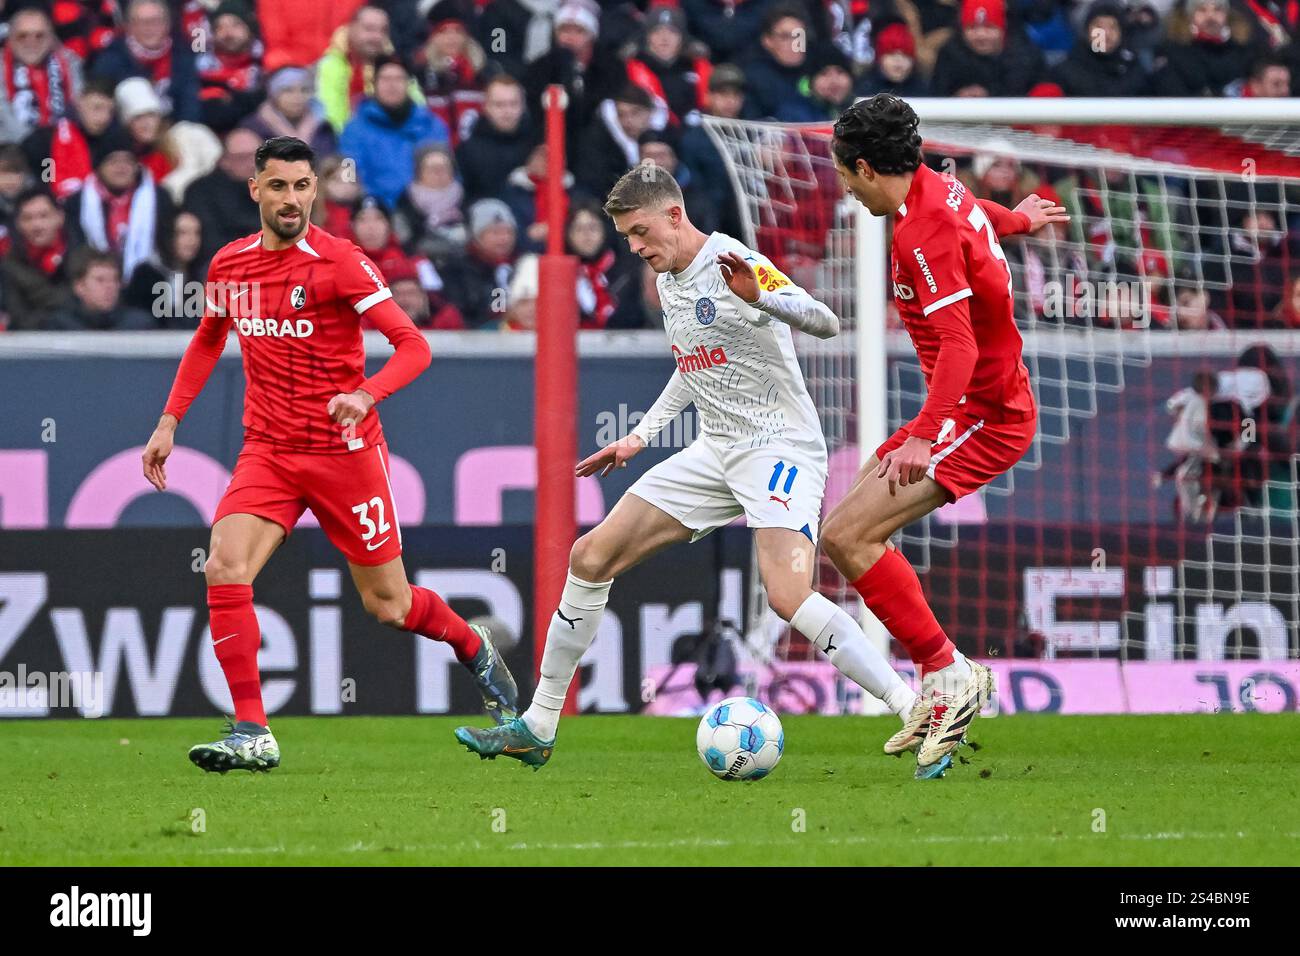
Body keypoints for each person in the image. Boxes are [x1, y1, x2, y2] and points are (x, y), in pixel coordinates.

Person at [454, 163, 921, 771]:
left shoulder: (733, 262)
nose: (636, 248)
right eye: (626, 238)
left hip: (777, 446)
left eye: (641, 232)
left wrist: (763, 297)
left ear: (675, 216)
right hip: (715, 449)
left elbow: (826, 322)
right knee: (591, 556)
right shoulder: (670, 276)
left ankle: (911, 706)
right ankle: (539, 725)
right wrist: (641, 436)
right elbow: (693, 361)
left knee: (786, 595)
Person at [140, 136, 517, 773]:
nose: (292, 199)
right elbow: (207, 342)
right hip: (269, 451)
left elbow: (413, 346)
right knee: (225, 567)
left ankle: (471, 641)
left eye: (303, 186)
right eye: (279, 186)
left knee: (388, 607)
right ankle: (252, 729)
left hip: (345, 455)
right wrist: (169, 420)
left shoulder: (342, 262)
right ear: (255, 189)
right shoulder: (230, 266)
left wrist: (366, 395)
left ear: (315, 188)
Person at [823, 94, 1068, 776]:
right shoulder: (941, 189)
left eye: (846, 174)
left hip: (983, 416)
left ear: (867, 168)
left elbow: (958, 345)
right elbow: (978, 216)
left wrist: (926, 435)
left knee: (849, 536)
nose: (844, 186)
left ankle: (948, 676)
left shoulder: (917, 233)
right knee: (842, 533)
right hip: (970, 410)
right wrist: (1018, 219)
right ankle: (944, 677)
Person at [339, 56, 449, 208]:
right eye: (385, 79)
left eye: (399, 79)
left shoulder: (431, 125)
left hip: (426, 209)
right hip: (376, 211)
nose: (392, 86)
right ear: (374, 85)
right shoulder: (355, 129)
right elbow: (348, 169)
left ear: (409, 84)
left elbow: (447, 170)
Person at [90, 0, 201, 121]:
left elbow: (190, 105)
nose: (149, 28)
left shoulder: (183, 55)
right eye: (141, 22)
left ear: (167, 24)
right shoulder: (110, 61)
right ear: (129, 27)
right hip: (127, 132)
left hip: (175, 128)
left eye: (155, 21)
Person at [183, 126, 263, 269]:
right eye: (242, 158)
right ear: (224, 161)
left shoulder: (274, 188)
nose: (252, 164)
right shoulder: (200, 191)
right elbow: (210, 244)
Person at [0, 187, 77, 328]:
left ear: (60, 217)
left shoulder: (81, 256)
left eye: (44, 216)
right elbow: (19, 318)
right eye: (27, 218)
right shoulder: (9, 266)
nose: (36, 225)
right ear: (18, 224)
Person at [2, 6, 81, 139]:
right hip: (11, 149)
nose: (31, 42)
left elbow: (78, 105)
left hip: (62, 143)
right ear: (10, 38)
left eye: (39, 36)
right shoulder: (1, 67)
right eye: (22, 36)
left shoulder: (70, 63)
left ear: (51, 38)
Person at [47, 246, 155, 329]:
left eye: (114, 279)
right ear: (79, 287)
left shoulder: (139, 325)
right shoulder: (60, 326)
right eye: (100, 280)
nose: (109, 286)